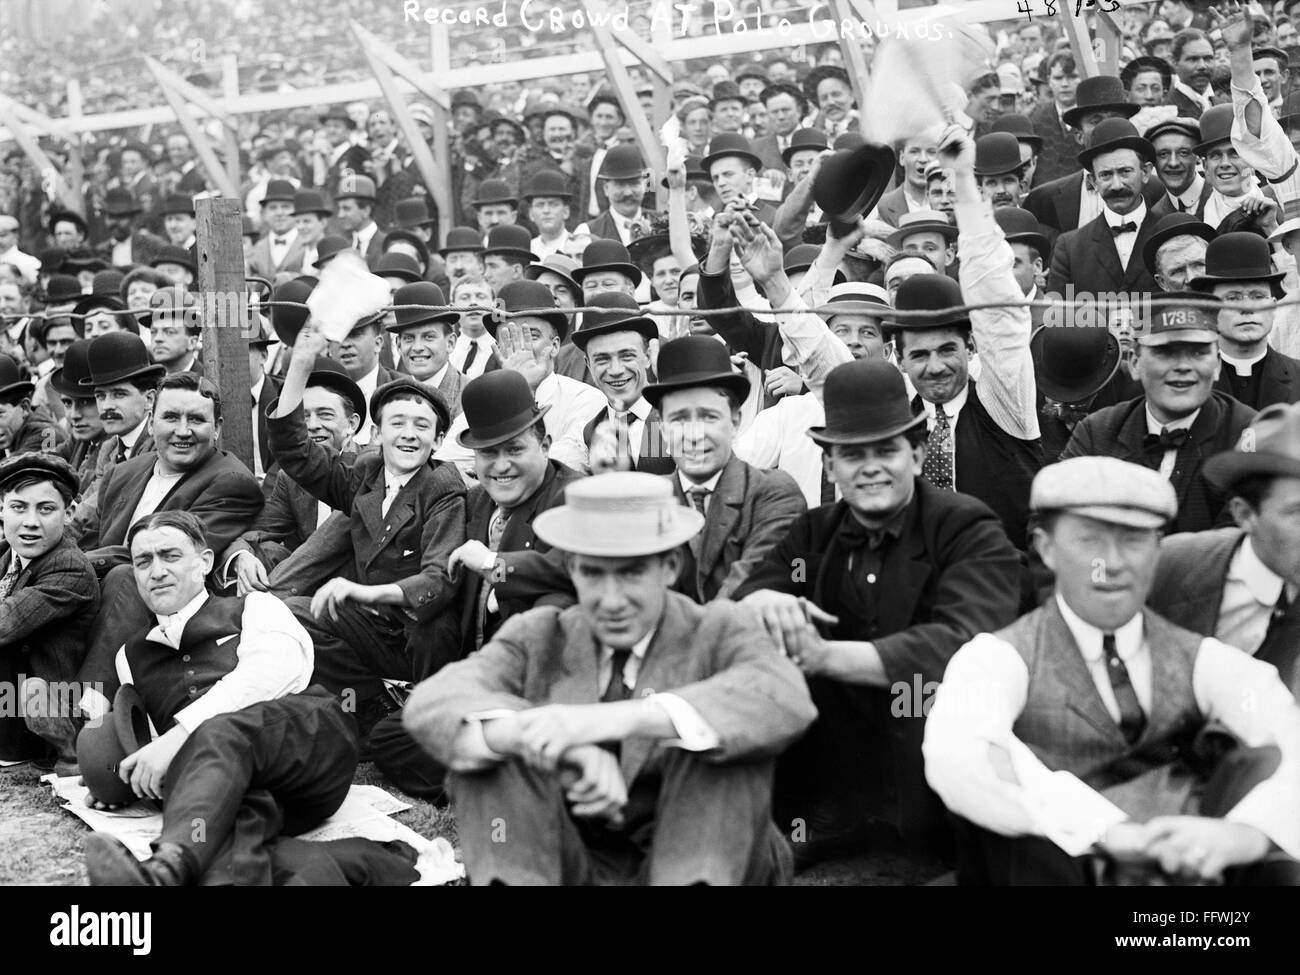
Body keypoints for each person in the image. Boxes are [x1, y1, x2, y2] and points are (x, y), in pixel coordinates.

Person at [402, 471, 817, 885]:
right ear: (572, 570)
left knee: (720, 744)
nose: (612, 599)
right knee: (492, 745)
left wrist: (617, 719)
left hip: (703, 856)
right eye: (593, 574)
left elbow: (783, 695)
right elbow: (434, 703)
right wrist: (554, 744)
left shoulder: (717, 628)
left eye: (632, 573)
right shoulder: (542, 633)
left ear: (669, 567)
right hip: (576, 859)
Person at [924, 456, 1300, 886]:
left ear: (1159, 549)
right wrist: (1105, 831)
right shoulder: (997, 657)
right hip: (1049, 872)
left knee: (1266, 762)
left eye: (1135, 541)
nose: (1113, 564)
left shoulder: (1202, 659)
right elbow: (960, 755)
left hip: (1173, 885)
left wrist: (1245, 834)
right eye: (1089, 540)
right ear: (1046, 549)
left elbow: (1289, 731)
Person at [734, 358, 1022, 864]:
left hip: (938, 776)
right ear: (829, 466)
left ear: (916, 454)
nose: (870, 467)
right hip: (833, 785)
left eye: (887, 450)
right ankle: (810, 819)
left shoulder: (966, 528)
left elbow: (965, 641)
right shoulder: (813, 532)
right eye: (851, 454)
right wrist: (761, 599)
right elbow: (747, 602)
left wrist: (828, 657)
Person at [81, 511, 362, 887]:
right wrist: (115, 779)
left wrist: (180, 735)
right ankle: (167, 873)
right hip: (241, 789)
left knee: (217, 734)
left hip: (306, 750)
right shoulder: (129, 657)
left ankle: (165, 869)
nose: (157, 571)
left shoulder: (255, 607)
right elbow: (147, 749)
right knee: (228, 826)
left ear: (205, 562)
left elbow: (274, 671)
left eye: (170, 555)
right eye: (143, 561)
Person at [368, 369, 584, 799]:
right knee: (391, 737)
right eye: (488, 453)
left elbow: (571, 566)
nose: (501, 466)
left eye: (515, 449)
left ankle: (513, 772)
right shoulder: (478, 500)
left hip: (546, 685)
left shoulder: (575, 496)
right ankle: (492, 781)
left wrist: (494, 563)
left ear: (544, 445)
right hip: (482, 678)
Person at [269, 320, 467, 729]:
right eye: (397, 424)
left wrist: (364, 592)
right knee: (294, 613)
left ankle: (430, 719)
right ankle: (372, 703)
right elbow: (295, 451)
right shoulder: (364, 474)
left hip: (421, 631)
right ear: (377, 432)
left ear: (438, 438)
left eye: (422, 426)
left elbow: (438, 580)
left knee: (435, 628)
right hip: (374, 627)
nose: (409, 436)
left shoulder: (443, 485)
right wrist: (301, 364)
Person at [889, 126, 1042, 550]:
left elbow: (996, 300)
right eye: (919, 354)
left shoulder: (1004, 399)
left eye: (947, 349)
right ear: (899, 360)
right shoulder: (895, 417)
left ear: (971, 346)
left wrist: (964, 185)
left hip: (1007, 585)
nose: (935, 365)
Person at [1060, 300, 1256, 534]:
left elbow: (1238, 544)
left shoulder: (1249, 434)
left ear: (1217, 366)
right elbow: (1058, 528)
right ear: (1134, 363)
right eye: (1165, 352)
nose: (1183, 366)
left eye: (1198, 352)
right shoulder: (1096, 434)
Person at [437, 280, 603, 476]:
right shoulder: (483, 405)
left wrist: (481, 470)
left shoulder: (586, 399)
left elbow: (563, 466)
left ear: (555, 345)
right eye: (509, 338)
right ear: (497, 349)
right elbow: (444, 470)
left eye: (532, 335)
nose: (521, 347)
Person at [0, 453, 99, 768]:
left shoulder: (68, 565)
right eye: (18, 507)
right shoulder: (6, 557)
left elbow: (6, 622)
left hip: (32, 715)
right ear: (1, 509)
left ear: (69, 513)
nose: (30, 522)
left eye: (46, 509)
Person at [1045, 118, 1160, 302]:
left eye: (1125, 172)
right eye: (1105, 175)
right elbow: (1058, 322)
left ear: (1145, 173)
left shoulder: (1169, 233)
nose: (1116, 185)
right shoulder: (1070, 248)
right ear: (1092, 181)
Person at [1190, 232, 1300, 409]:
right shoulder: (1187, 381)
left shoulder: (1298, 377)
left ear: (1273, 307)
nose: (1247, 308)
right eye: (1233, 298)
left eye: (1258, 296)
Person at [0, 354, 65, 458]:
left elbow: (13, 468)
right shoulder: (12, 435)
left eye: (1, 414)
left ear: (24, 407)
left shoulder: (46, 435)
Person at [247, 180, 306, 280]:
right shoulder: (255, 250)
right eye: (273, 208)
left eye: (285, 207)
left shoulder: (309, 245)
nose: (279, 213)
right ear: (264, 213)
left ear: (297, 211)